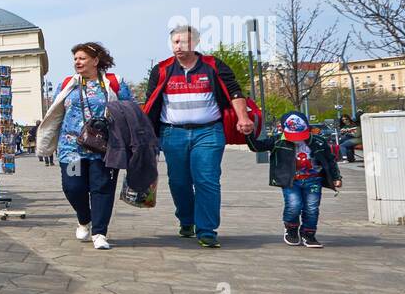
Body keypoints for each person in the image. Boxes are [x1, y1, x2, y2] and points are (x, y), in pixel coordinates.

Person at [143, 25, 255, 248]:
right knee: (179, 182)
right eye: (175, 42)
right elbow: (151, 101)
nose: (179, 47)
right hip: (172, 133)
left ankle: (207, 230)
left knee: (207, 179)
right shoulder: (162, 70)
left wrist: (243, 118)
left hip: (209, 131)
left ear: (194, 43)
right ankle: (187, 220)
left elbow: (234, 91)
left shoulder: (213, 66)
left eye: (184, 42)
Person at [37, 42, 133, 250]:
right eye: (75, 59)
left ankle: (99, 232)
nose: (77, 62)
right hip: (72, 149)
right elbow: (55, 112)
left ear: (95, 61)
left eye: (82, 58)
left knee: (102, 189)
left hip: (103, 148)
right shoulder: (68, 84)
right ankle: (84, 218)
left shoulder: (113, 83)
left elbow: (130, 111)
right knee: (73, 187)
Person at [247, 111, 342, 247]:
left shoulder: (318, 142)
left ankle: (309, 234)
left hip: (313, 179)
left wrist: (336, 177)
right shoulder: (278, 140)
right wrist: (249, 133)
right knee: (294, 205)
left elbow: (330, 160)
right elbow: (256, 146)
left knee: (312, 207)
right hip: (291, 179)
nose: (297, 139)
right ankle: (291, 228)